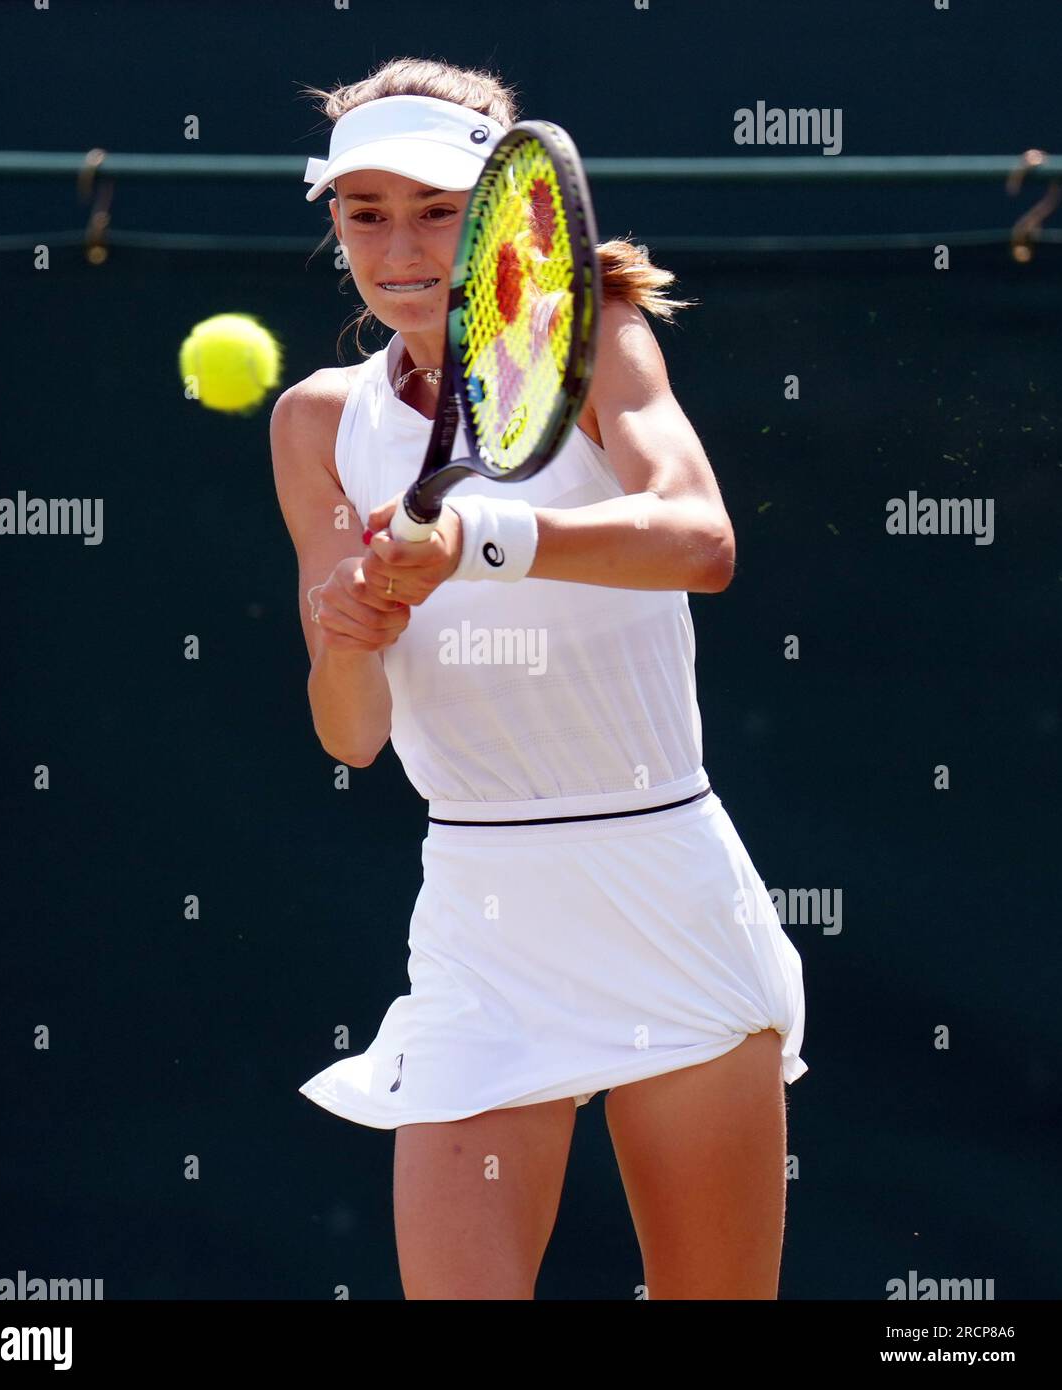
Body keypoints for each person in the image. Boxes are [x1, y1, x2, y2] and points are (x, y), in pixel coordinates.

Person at [270, 58, 808, 1300]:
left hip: (658, 887)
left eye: (438, 210)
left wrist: (476, 542)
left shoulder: (599, 343)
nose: (398, 247)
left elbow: (700, 538)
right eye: (364, 212)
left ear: (513, 217)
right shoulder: (315, 424)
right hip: (479, 917)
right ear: (333, 221)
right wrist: (349, 632)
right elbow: (350, 737)